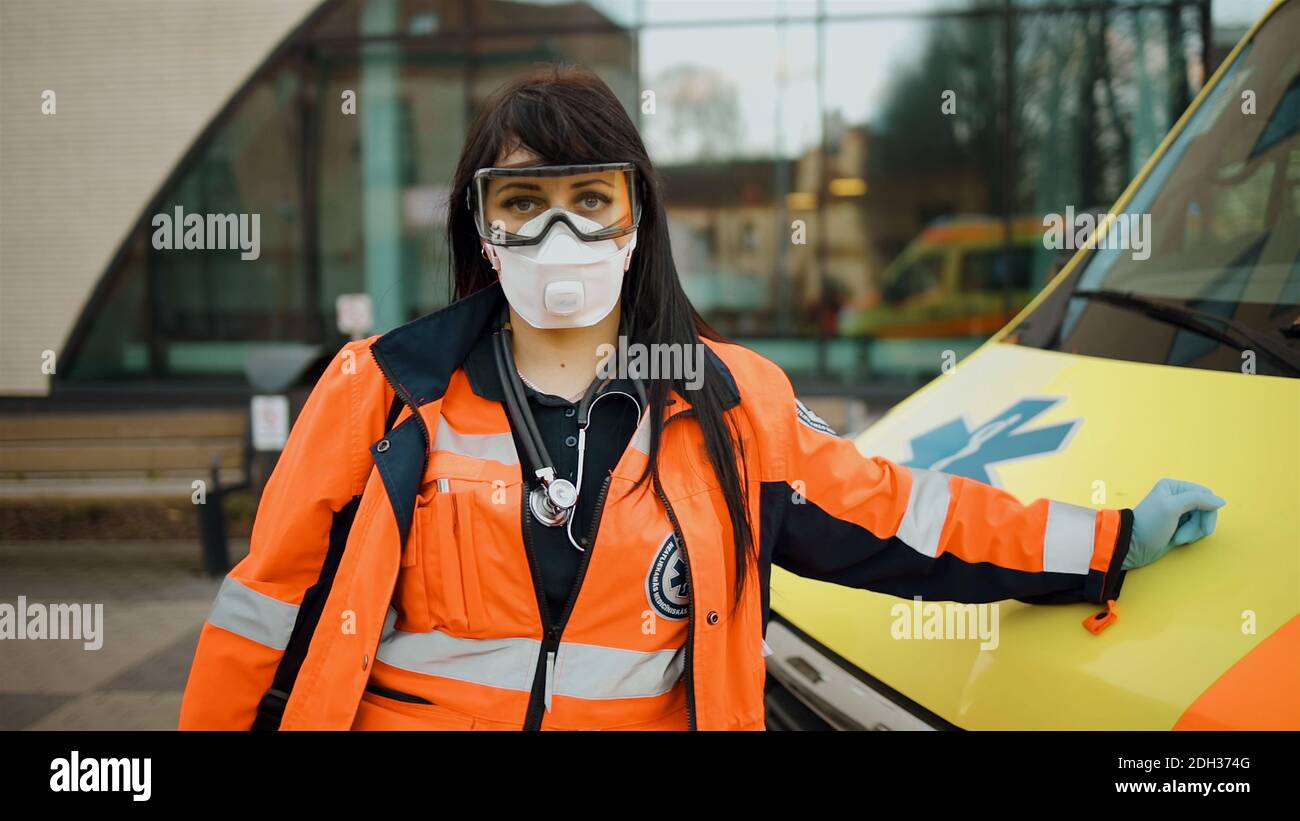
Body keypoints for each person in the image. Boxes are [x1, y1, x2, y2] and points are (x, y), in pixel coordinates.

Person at [178, 65, 1225, 731]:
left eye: (590, 198)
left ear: (636, 219)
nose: (559, 234)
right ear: (480, 228)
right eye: (524, 202)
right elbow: (259, 611)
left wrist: (1103, 539)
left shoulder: (730, 403)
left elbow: (905, 520)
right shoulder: (383, 387)